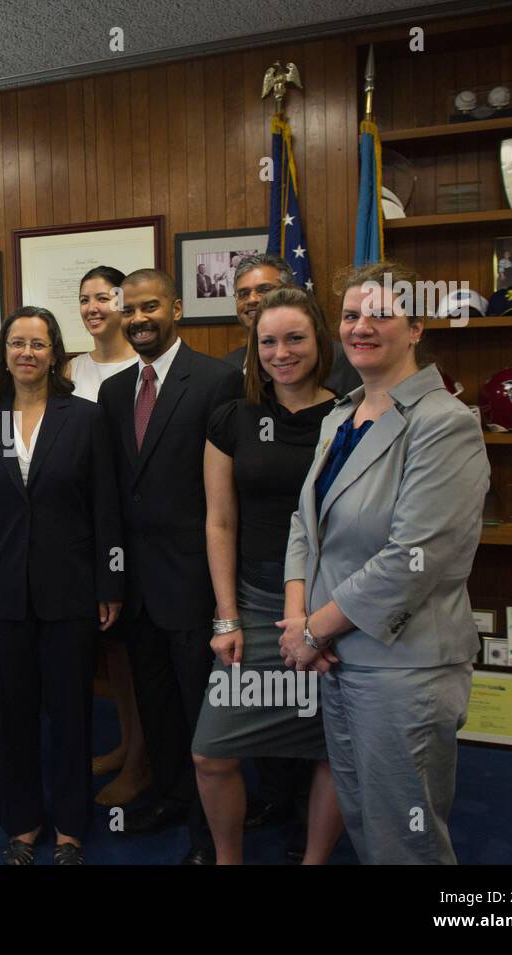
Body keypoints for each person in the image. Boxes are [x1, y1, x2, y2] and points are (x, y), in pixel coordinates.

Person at [280, 261, 490, 864]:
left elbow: (413, 559)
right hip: (339, 658)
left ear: (417, 326)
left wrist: (313, 630)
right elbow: (304, 524)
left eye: (380, 313)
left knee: (407, 841)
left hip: (406, 668)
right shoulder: (340, 417)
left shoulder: (444, 423)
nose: (361, 327)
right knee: (368, 824)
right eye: (350, 315)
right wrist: (299, 622)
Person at [0, 306, 123, 865]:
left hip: (70, 590)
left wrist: (110, 581)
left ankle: (71, 827)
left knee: (72, 712)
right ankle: (23, 822)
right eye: (17, 342)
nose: (27, 352)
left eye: (39, 343)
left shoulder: (85, 417)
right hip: (0, 592)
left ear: (55, 354)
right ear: (4, 353)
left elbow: (105, 509)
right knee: (14, 711)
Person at [191, 285, 344, 865]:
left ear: (320, 341)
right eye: (269, 341)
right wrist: (226, 614)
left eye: (295, 338)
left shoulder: (350, 416)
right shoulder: (233, 416)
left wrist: (321, 623)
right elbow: (220, 520)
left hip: (332, 610)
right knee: (212, 752)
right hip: (254, 605)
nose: (282, 352)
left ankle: (314, 860)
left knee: (332, 750)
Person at [97, 268, 242, 865]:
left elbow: (229, 497)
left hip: (194, 583)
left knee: (199, 713)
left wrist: (224, 597)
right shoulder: (111, 392)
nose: (138, 319)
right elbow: (110, 492)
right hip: (135, 587)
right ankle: (170, 799)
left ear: (176, 308)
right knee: (155, 706)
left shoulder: (216, 379)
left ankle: (208, 838)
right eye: (128, 310)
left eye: (149, 307)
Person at [64, 265, 148, 809]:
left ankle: (144, 760)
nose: (95, 307)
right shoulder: (69, 367)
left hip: (133, 528)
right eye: (85, 298)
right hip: (81, 527)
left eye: (105, 297)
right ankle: (125, 743)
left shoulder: (143, 368)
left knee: (140, 648)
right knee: (113, 648)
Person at [223, 254, 361, 398]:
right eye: (243, 294)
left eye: (264, 290)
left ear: (288, 291)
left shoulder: (342, 358)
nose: (252, 299)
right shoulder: (228, 366)